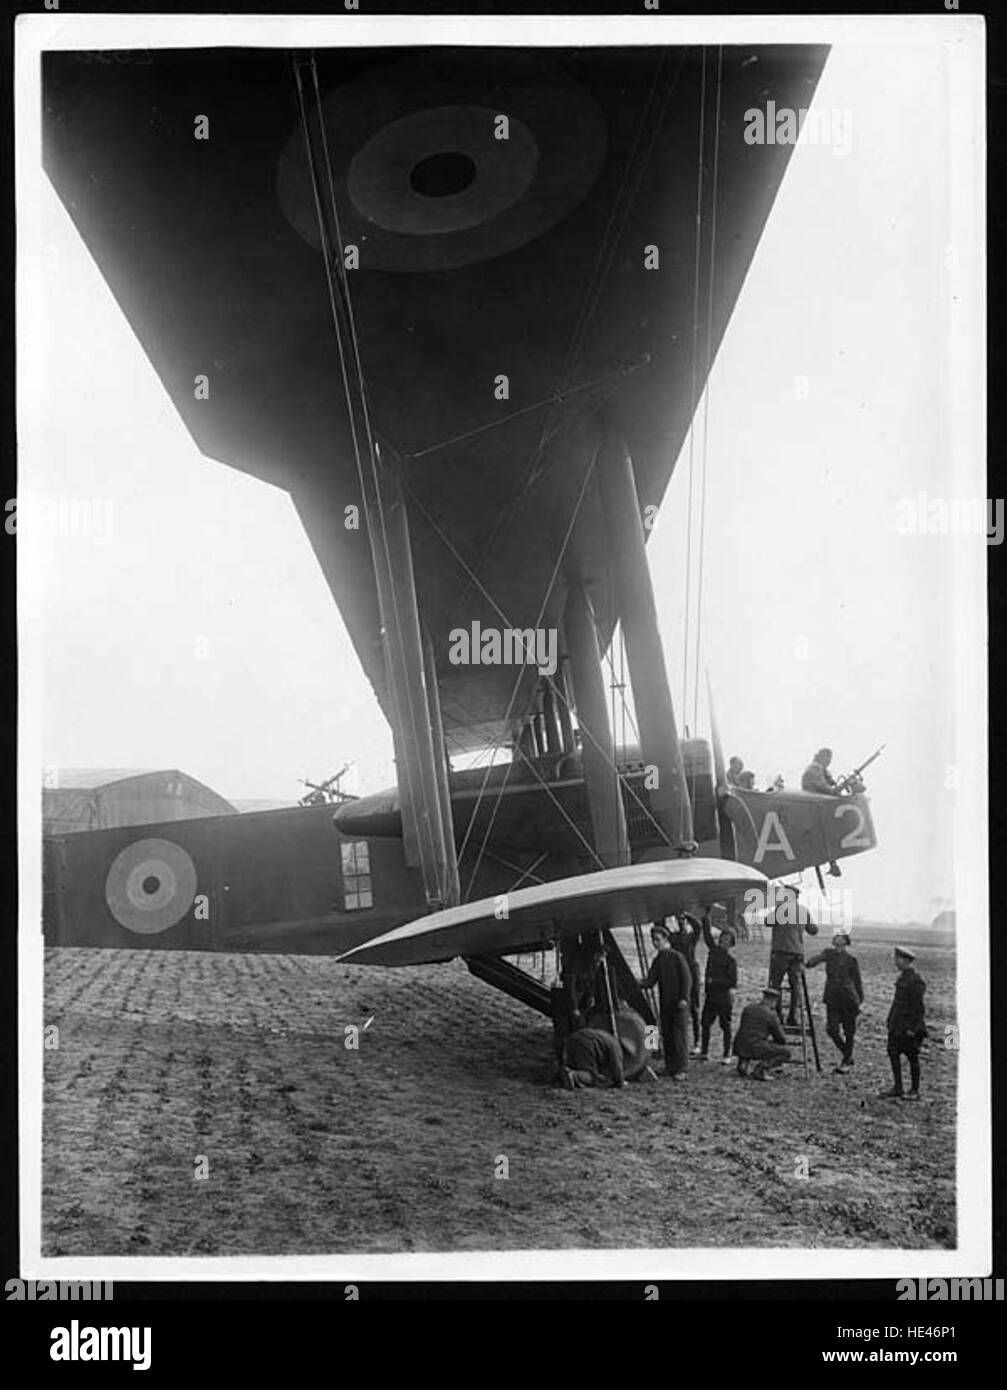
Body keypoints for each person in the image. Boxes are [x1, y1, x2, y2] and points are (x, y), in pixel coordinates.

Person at [805, 932, 864, 1072]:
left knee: (849, 1032)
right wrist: (807, 963)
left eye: (841, 937)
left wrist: (860, 1000)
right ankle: (847, 1055)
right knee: (832, 1030)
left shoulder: (851, 960)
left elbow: (857, 981)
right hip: (833, 999)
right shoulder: (828, 954)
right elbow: (815, 960)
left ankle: (845, 1061)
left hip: (849, 999)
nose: (837, 938)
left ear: (845, 942)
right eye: (836, 936)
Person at [640, 922, 692, 1079]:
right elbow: (650, 981)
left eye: (657, 939)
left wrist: (684, 998)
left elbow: (687, 979)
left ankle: (682, 1069)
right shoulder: (658, 959)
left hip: (679, 1004)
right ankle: (670, 1067)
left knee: (679, 1037)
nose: (655, 943)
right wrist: (635, 983)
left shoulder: (677, 957)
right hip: (666, 1004)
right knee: (667, 1035)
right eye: (653, 940)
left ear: (665, 939)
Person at [879, 947, 927, 1101]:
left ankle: (914, 1090)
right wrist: (890, 1020)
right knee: (893, 1053)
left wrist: (913, 1028)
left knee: (912, 1057)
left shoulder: (915, 980)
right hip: (897, 1025)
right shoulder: (903, 977)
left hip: (909, 1028)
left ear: (906, 961)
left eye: (898, 959)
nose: (895, 962)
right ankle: (898, 1087)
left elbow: (918, 1008)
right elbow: (897, 1003)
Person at [767, 885, 819, 1027]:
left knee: (775, 985)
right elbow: (814, 930)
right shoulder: (803, 911)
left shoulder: (781, 910)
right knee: (796, 986)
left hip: (780, 952)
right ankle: (792, 1016)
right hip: (797, 953)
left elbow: (767, 922)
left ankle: (777, 1015)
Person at [697, 909, 738, 1062]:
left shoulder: (731, 961)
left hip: (723, 998)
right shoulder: (713, 951)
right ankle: (704, 1051)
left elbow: (732, 982)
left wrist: (714, 981)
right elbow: (707, 935)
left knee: (725, 1026)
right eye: (722, 938)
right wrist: (706, 917)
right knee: (705, 1024)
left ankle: (727, 1054)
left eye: (727, 940)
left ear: (731, 944)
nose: (723, 941)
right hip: (711, 997)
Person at [732, 987, 792, 1079]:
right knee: (786, 1052)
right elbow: (781, 1038)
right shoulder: (770, 1014)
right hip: (755, 1046)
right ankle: (761, 1070)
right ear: (773, 1001)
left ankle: (743, 1062)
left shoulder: (749, 1008)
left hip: (740, 1045)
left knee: (749, 1039)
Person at [559, 1027, 626, 1090]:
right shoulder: (617, 1048)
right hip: (586, 1044)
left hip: (574, 1038)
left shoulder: (609, 1038)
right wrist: (620, 1082)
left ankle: (564, 1073)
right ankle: (574, 1076)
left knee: (575, 1065)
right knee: (592, 1075)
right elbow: (617, 1068)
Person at [675, 914, 703, 1052]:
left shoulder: (691, 938)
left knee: (694, 1009)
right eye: (679, 921)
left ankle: (697, 1042)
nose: (681, 924)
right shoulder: (674, 938)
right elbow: (660, 928)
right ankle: (683, 1041)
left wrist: (687, 915)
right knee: (680, 1008)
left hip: (691, 974)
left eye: (683, 921)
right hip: (680, 974)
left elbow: (698, 927)